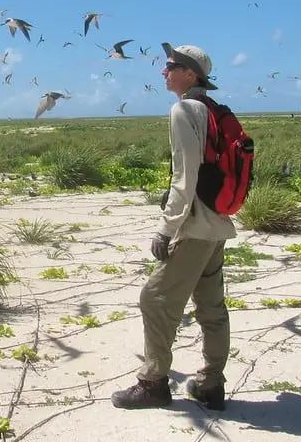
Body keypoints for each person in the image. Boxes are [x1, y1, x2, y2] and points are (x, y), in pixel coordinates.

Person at [111, 43, 237, 411]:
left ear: (190, 74)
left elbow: (185, 177)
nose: (163, 72)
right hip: (217, 224)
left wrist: (166, 229)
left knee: (154, 299)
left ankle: (153, 384)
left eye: (171, 66)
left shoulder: (184, 110)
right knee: (211, 307)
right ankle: (211, 385)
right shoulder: (213, 110)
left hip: (194, 227)